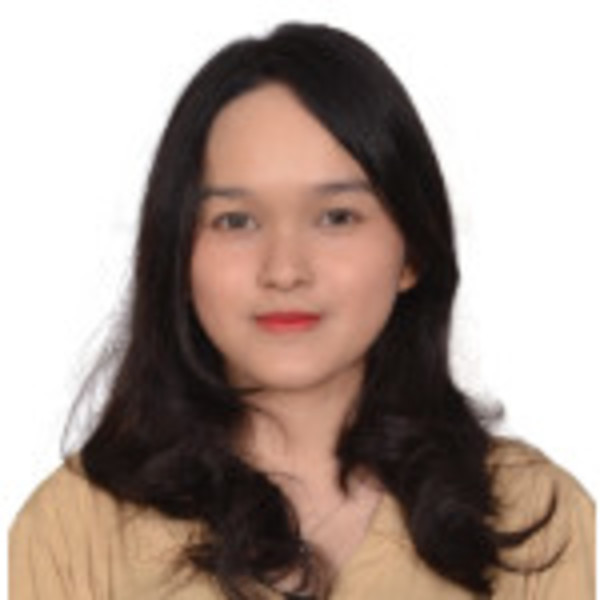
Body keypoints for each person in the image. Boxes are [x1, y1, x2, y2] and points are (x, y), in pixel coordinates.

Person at [9, 22, 594, 600]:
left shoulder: (536, 520)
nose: (285, 270)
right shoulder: (71, 532)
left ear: (413, 250)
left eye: (336, 217)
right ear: (179, 254)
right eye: (236, 221)